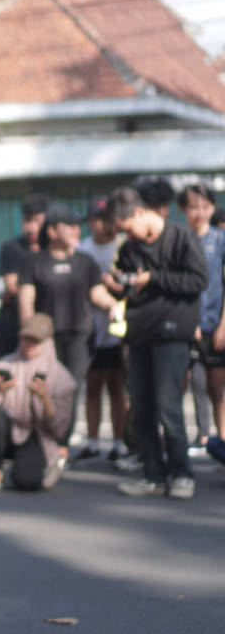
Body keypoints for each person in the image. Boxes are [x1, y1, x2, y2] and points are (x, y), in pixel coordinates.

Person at [106, 186, 207, 499]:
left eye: (127, 228)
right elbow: (125, 285)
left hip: (172, 336)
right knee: (142, 408)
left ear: (139, 212)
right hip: (138, 335)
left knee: (169, 407)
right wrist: (116, 285)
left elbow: (197, 281)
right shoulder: (129, 248)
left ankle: (181, 473)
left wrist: (154, 278)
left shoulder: (180, 238)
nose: (128, 236)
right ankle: (153, 474)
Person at [18, 205, 112, 442]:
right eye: (68, 225)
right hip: (46, 340)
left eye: (76, 226)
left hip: (79, 339)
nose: (75, 230)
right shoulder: (34, 262)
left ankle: (62, 443)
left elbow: (98, 295)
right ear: (52, 231)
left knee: (68, 390)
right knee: (43, 388)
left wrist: (116, 307)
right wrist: (30, 336)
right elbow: (26, 301)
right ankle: (39, 440)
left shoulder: (85, 262)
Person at [0, 314, 77, 493]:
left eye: (35, 341)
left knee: (27, 482)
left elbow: (59, 430)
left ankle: (50, 463)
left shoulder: (60, 376)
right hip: (8, 430)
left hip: (38, 436)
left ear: (47, 342)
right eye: (25, 339)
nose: (28, 345)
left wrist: (45, 399)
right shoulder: (7, 364)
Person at [76, 196, 129, 463]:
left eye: (104, 219)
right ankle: (93, 441)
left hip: (118, 327)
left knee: (117, 386)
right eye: (94, 219)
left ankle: (119, 443)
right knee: (93, 385)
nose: (99, 225)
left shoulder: (122, 246)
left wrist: (114, 285)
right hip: (90, 327)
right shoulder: (82, 249)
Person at [177, 184, 225, 452]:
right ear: (183, 209)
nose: (199, 213)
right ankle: (188, 438)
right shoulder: (179, 238)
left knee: (217, 387)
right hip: (185, 325)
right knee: (182, 383)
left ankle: (221, 441)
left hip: (215, 325)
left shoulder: (220, 240)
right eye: (193, 207)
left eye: (205, 207)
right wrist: (187, 322)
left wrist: (223, 325)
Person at [0, 194, 49, 359]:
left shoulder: (52, 250)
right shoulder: (12, 248)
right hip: (13, 326)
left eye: (37, 221)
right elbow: (12, 286)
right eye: (27, 221)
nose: (31, 228)